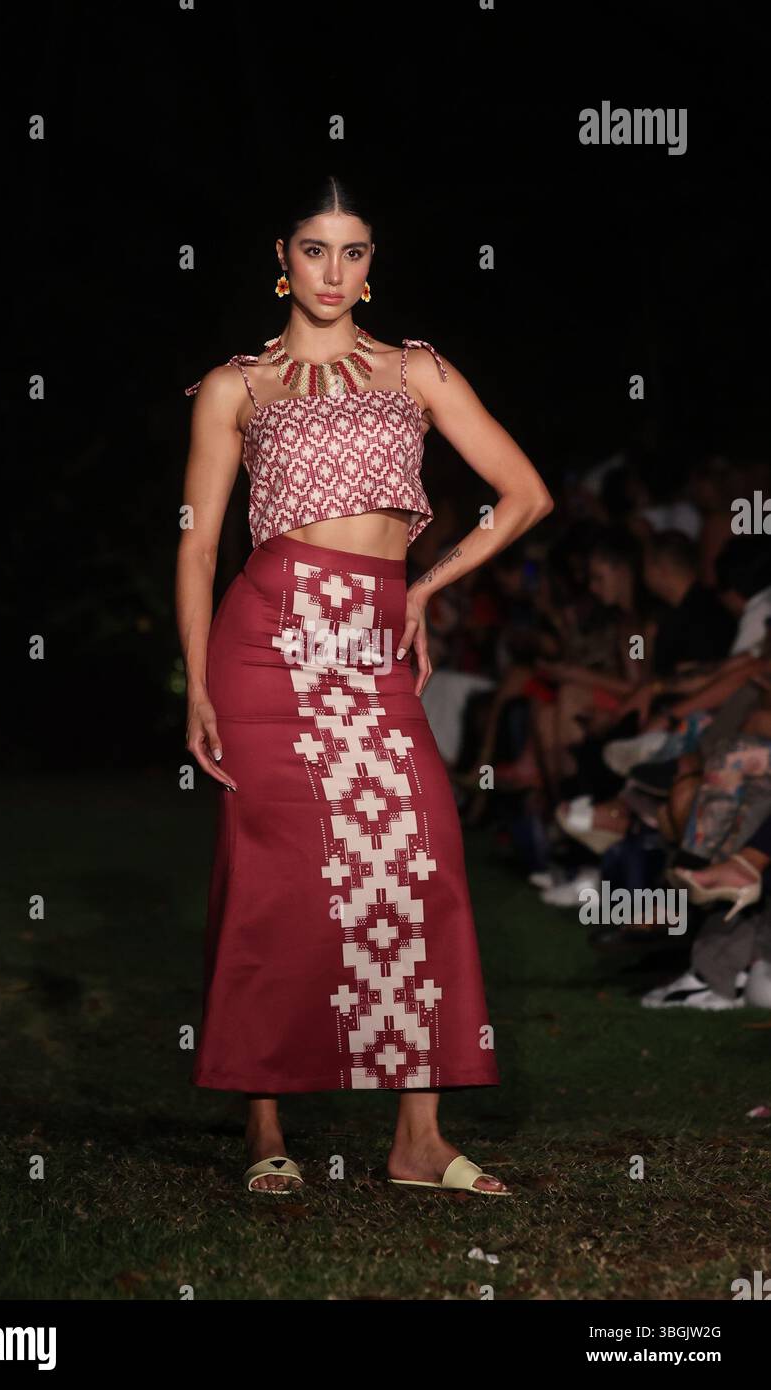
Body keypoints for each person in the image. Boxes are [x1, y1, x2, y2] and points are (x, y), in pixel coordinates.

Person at [175, 174, 553, 1196]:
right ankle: (264, 1128)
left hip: (372, 644)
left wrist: (423, 586)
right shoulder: (234, 387)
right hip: (263, 646)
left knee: (421, 860)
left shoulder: (415, 372)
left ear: (371, 268)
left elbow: (522, 494)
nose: (332, 270)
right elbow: (199, 544)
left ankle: (416, 1142)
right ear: (281, 261)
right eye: (313, 249)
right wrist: (197, 685)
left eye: (352, 252)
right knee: (274, 878)